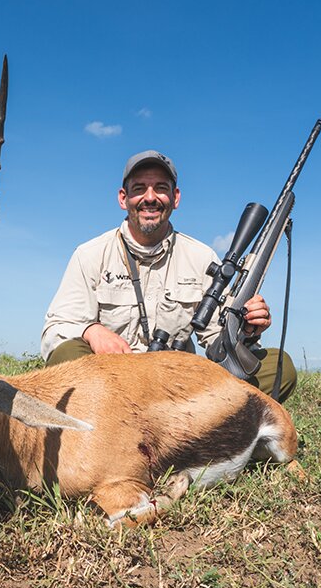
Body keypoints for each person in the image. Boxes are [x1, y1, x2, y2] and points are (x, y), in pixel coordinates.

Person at [40, 150, 297, 402]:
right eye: (139, 188)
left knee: (278, 368)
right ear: (123, 198)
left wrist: (247, 328)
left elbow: (217, 342)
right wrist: (92, 331)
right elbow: (56, 330)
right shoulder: (91, 254)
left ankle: (184, 431)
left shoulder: (201, 257)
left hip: (178, 390)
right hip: (110, 391)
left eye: (160, 188)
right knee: (67, 354)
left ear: (175, 198)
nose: (150, 198)